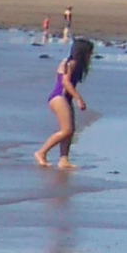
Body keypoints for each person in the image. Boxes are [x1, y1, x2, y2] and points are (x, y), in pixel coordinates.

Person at [36, 37, 96, 168]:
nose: (91, 55)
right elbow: (65, 82)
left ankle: (63, 160)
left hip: (64, 98)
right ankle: (41, 152)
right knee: (66, 130)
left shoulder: (71, 63)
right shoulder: (71, 63)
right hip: (59, 97)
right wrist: (79, 99)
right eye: (90, 52)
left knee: (70, 130)